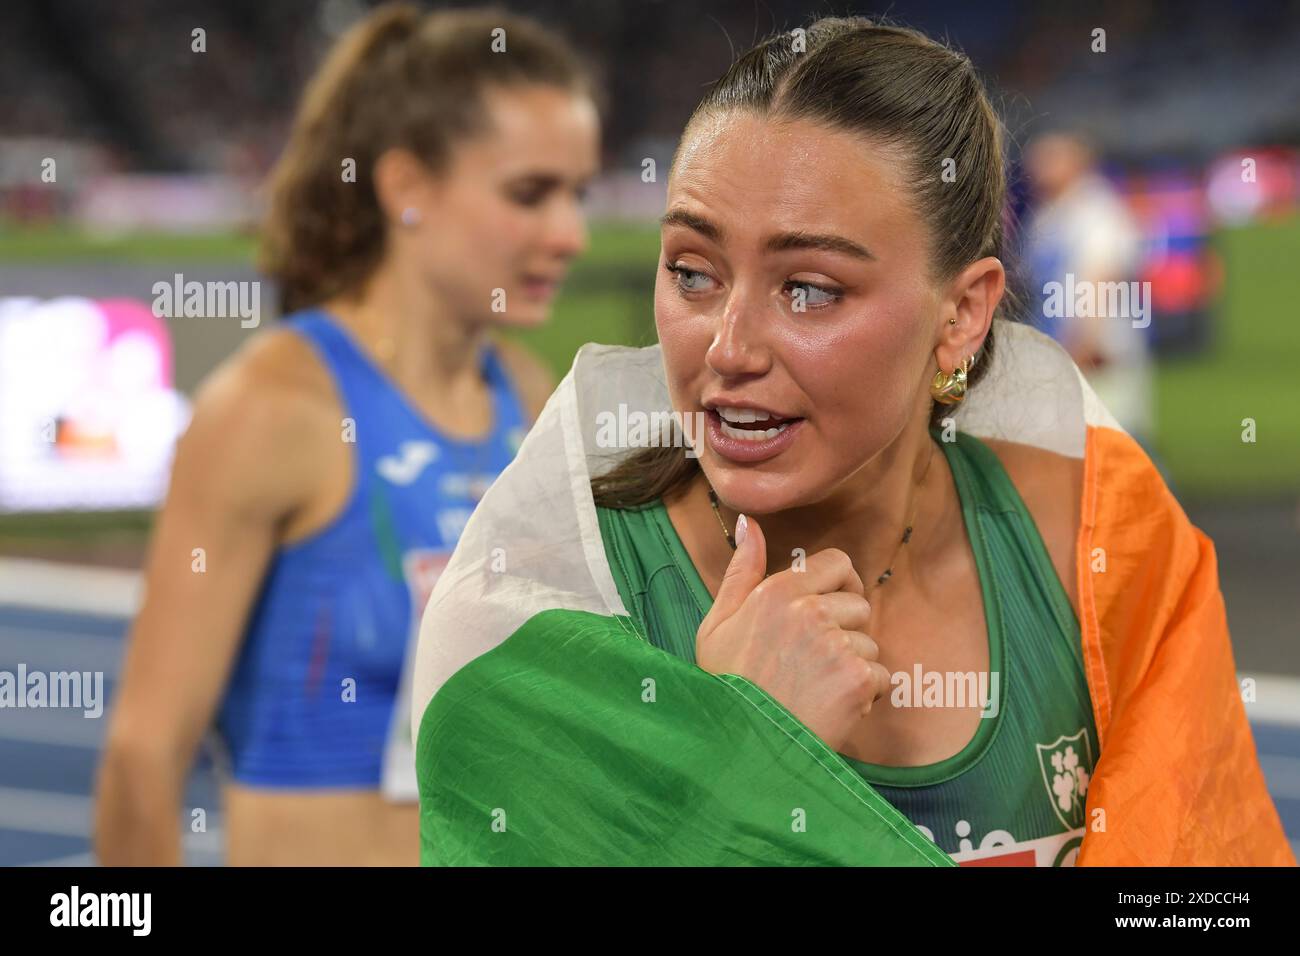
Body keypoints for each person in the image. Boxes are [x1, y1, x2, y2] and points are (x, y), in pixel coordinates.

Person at [408, 17, 1292, 867]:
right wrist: (743, 751)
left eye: (810, 289)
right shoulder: (544, 615)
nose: (727, 347)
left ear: (963, 313)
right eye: (692, 273)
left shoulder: (1097, 541)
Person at [94, 4, 600, 865]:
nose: (570, 234)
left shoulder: (524, 394)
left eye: (578, 194)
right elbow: (144, 757)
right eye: (529, 193)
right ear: (406, 188)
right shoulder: (271, 409)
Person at [1023, 131, 1155, 449]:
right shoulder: (1047, 214)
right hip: (1057, 350)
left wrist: (1082, 346)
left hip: (1098, 354)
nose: (1037, 167)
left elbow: (1100, 282)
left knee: (1118, 448)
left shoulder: (1098, 212)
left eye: (1050, 157)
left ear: (1077, 161)